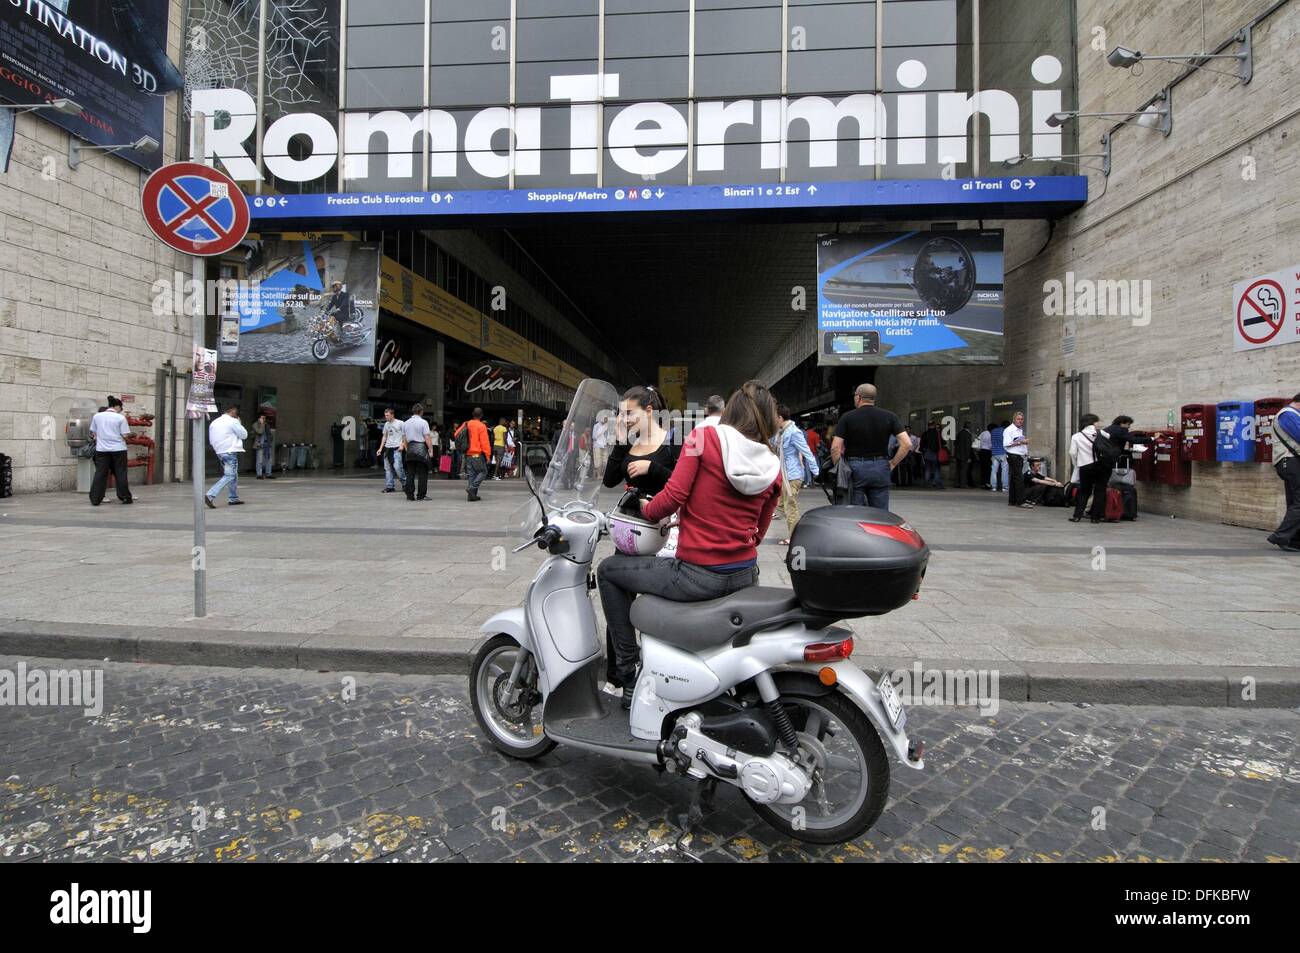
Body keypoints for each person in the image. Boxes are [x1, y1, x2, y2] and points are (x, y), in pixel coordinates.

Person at [597, 380, 782, 708]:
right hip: (744, 574)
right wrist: (697, 521)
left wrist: (648, 509)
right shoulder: (772, 462)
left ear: (732, 411)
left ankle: (627, 671)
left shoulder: (703, 437)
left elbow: (674, 496)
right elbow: (757, 531)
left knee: (609, 570)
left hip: (695, 574)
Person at [831, 383, 910, 511]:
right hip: (881, 466)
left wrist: (840, 469)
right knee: (881, 513)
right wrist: (893, 463)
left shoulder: (847, 417)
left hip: (855, 468)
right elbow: (907, 444)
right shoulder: (890, 416)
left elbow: (835, 447)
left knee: (855, 512)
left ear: (858, 397)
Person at [602, 385, 678, 496]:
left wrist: (652, 468)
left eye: (629, 413)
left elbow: (684, 484)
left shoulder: (673, 439)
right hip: (629, 511)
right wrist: (620, 442)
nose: (625, 420)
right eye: (622, 414)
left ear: (648, 411)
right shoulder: (629, 443)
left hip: (662, 511)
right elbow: (609, 481)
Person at [776, 404, 819, 544]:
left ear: (780, 417)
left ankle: (794, 537)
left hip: (793, 476)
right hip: (784, 474)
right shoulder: (781, 431)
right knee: (780, 505)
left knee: (790, 506)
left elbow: (807, 451)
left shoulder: (794, 432)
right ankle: (798, 530)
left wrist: (815, 470)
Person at [1267, 394, 1300, 552]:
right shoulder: (1288, 414)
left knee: (1295, 502)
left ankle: (1293, 540)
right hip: (1290, 462)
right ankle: (1281, 536)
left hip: (1290, 463)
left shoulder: (1289, 414)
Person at [88, 396, 133, 506]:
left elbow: (93, 433)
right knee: (120, 473)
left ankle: (95, 499)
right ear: (117, 406)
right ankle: (125, 497)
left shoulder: (97, 416)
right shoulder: (120, 418)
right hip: (118, 449)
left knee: (100, 473)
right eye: (121, 408)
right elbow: (125, 435)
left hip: (102, 450)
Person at [205, 404, 247, 508]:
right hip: (230, 451)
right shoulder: (233, 421)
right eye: (236, 412)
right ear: (232, 411)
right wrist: (239, 423)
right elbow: (244, 435)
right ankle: (210, 494)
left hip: (220, 451)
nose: (236, 414)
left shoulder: (215, 422)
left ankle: (233, 498)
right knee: (230, 475)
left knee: (233, 474)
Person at [1068, 413, 1107, 523]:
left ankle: (1077, 516)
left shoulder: (1077, 436)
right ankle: (1095, 518)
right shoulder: (1102, 433)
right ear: (1094, 422)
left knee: (1084, 491)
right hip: (1101, 465)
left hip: (1085, 466)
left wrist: (1077, 464)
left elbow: (1072, 453)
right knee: (1099, 491)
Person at [455, 408, 492, 502]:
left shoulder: (467, 424)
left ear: (472, 414)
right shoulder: (481, 426)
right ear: (481, 415)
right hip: (477, 454)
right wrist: (488, 456)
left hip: (467, 454)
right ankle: (472, 488)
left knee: (472, 475)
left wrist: (464, 424)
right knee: (483, 472)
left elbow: (456, 434)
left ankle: (472, 496)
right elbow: (485, 442)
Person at [401, 404, 433, 501]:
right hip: (421, 449)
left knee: (410, 473)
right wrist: (430, 449)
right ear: (421, 411)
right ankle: (421, 495)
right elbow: (427, 437)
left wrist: (407, 449)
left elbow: (404, 438)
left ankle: (410, 495)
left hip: (410, 448)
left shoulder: (405, 423)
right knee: (422, 473)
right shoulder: (424, 422)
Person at [375, 407, 407, 493]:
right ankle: (390, 486)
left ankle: (405, 484)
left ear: (392, 414)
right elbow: (384, 436)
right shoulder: (386, 424)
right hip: (388, 448)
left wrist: (402, 445)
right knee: (388, 468)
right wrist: (380, 448)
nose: (386, 417)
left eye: (388, 415)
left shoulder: (401, 423)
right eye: (385, 415)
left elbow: (405, 436)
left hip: (397, 448)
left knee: (397, 467)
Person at [1003, 411, 1030, 506]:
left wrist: (1025, 452)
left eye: (1022, 419)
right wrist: (1020, 442)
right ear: (1014, 419)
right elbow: (1007, 444)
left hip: (1019, 456)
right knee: (1019, 478)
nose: (1020, 421)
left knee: (1014, 478)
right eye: (1018, 419)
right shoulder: (1009, 430)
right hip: (1013, 456)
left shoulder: (1020, 430)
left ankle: (1013, 500)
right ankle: (1021, 501)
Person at [920, 421, 944, 489]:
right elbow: (941, 443)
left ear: (928, 426)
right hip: (935, 453)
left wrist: (923, 451)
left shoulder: (925, 433)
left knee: (928, 469)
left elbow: (921, 444)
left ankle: (927, 483)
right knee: (937, 468)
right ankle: (936, 483)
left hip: (927, 453)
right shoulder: (937, 433)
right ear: (934, 425)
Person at [252, 413, 276, 480]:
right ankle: (259, 474)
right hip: (260, 444)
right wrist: (262, 424)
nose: (264, 420)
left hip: (267, 444)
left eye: (264, 418)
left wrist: (270, 439)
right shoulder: (255, 424)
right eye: (262, 418)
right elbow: (260, 432)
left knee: (268, 459)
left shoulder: (267, 425)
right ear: (259, 418)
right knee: (259, 460)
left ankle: (269, 474)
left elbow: (269, 434)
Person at [990, 419, 1008, 492]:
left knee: (994, 471)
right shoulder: (1005, 431)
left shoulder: (993, 431)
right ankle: (1005, 487)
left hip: (994, 453)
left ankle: (993, 486)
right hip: (1003, 453)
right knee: (1004, 470)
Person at [954, 421, 973, 488]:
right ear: (969, 427)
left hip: (958, 455)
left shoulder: (959, 433)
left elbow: (955, 443)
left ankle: (956, 483)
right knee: (964, 470)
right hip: (964, 455)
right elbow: (968, 447)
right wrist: (969, 457)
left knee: (958, 470)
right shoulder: (967, 435)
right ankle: (963, 484)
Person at [977, 424, 993, 488]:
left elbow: (978, 439)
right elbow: (991, 444)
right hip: (988, 452)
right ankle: (987, 483)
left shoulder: (983, 433)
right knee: (988, 468)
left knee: (983, 468)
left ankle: (982, 483)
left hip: (981, 451)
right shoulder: (990, 434)